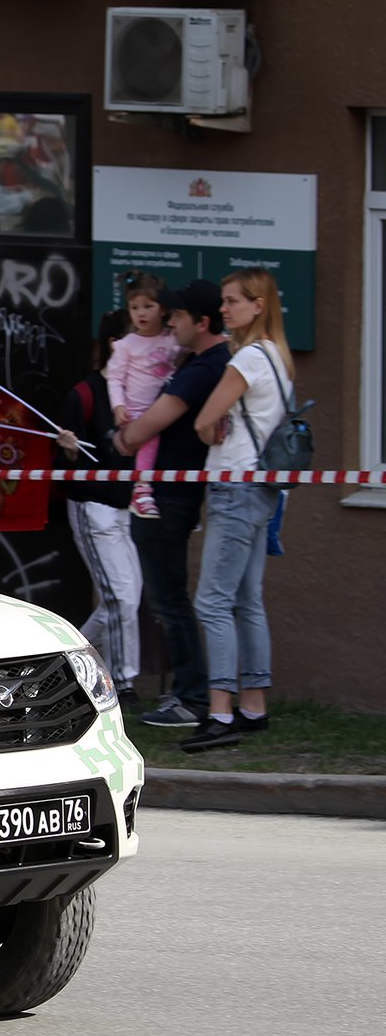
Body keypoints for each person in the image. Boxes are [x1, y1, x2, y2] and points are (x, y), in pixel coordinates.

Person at [181, 267, 298, 751]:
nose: (224, 309)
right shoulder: (278, 359)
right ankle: (254, 705)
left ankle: (221, 713)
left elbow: (203, 422)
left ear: (257, 306)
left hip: (235, 487)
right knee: (247, 599)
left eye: (233, 301)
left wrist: (213, 431)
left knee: (211, 601)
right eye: (224, 301)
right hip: (263, 489)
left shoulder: (247, 358)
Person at [114, 279, 231, 730]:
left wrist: (122, 437)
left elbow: (147, 428)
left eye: (177, 316)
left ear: (201, 322)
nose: (170, 323)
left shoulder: (203, 368)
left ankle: (191, 698)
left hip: (168, 498)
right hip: (167, 495)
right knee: (170, 599)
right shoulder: (201, 361)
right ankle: (189, 694)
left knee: (169, 600)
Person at [55, 312, 142, 707]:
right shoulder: (86, 394)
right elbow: (67, 463)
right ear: (115, 346)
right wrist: (71, 453)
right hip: (93, 508)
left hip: (123, 509)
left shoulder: (139, 393)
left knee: (126, 599)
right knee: (121, 600)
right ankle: (125, 685)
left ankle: (64, 668)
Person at [105, 271, 182, 519]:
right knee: (150, 439)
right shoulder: (126, 344)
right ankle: (141, 488)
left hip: (165, 408)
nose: (141, 313)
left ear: (162, 310)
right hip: (137, 411)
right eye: (134, 307)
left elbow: (189, 352)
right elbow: (115, 378)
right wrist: (118, 406)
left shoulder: (173, 339)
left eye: (148, 306)